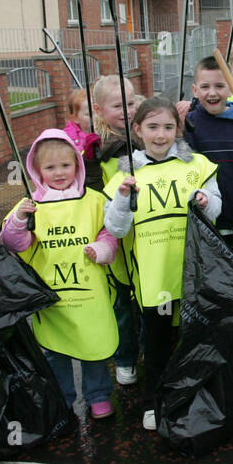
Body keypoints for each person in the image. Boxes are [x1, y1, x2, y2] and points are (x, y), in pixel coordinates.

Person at [103, 97, 222, 430]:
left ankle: (196, 393)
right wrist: (124, 198)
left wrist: (205, 200)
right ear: (138, 130)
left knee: (193, 338)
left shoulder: (196, 164)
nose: (160, 135)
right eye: (152, 127)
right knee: (155, 344)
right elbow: (115, 228)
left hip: (192, 272)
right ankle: (154, 400)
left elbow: (216, 209)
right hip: (154, 277)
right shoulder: (126, 172)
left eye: (168, 127)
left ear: (177, 129)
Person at [0, 129, 119, 421]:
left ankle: (98, 395)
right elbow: (14, 243)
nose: (59, 172)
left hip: (90, 292)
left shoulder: (93, 200)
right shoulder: (29, 206)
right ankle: (62, 398)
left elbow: (110, 234)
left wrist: (101, 250)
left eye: (65, 165)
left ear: (77, 165)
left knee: (94, 345)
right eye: (50, 168)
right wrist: (19, 220)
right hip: (52, 294)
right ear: (37, 171)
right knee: (55, 351)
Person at [85, 74, 140, 388]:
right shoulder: (98, 147)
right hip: (113, 236)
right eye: (118, 105)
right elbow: (90, 190)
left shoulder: (143, 133)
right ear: (98, 109)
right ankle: (125, 358)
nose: (127, 110)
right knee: (121, 301)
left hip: (143, 235)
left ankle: (146, 349)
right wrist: (91, 161)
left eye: (131, 103)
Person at [176, 55, 233, 236]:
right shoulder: (190, 123)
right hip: (208, 220)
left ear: (231, 89)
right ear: (194, 90)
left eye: (219, 86)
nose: (212, 93)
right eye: (205, 87)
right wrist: (179, 132)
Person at [64, 88, 99, 157]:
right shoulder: (68, 139)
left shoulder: (103, 130)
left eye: (97, 112)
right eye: (89, 114)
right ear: (75, 118)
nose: (95, 117)